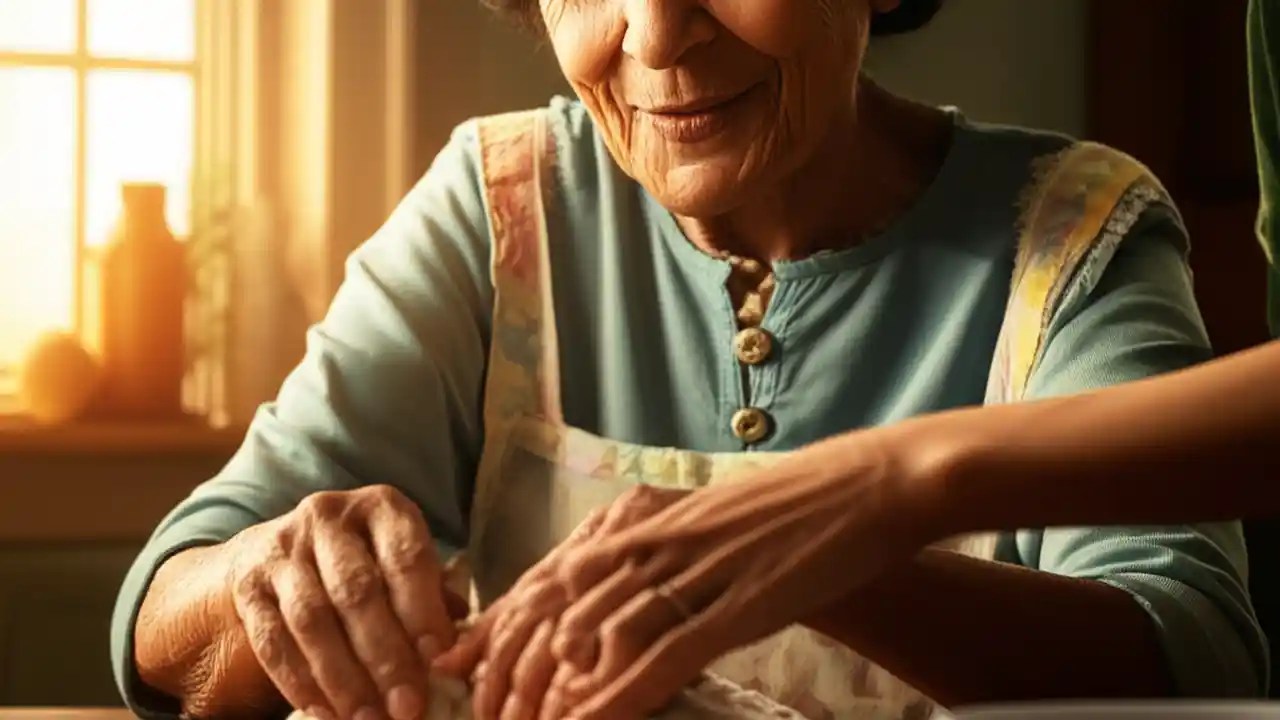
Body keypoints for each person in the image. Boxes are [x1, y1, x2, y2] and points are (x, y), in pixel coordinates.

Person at [111, 1, 1268, 720]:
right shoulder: (497, 204)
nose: (655, 35)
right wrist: (272, 574)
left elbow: (1194, 663)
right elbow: (168, 608)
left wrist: (821, 555)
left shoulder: (1068, 233)